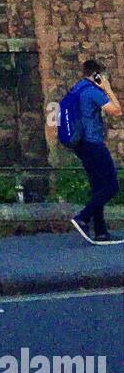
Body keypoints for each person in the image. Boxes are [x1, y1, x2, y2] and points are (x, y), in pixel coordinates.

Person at [70, 60, 121, 244]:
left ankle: (101, 232)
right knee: (111, 186)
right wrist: (107, 88)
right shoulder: (92, 91)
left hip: (80, 145)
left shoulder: (76, 89)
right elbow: (116, 111)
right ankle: (83, 217)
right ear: (97, 75)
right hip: (93, 143)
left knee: (98, 187)